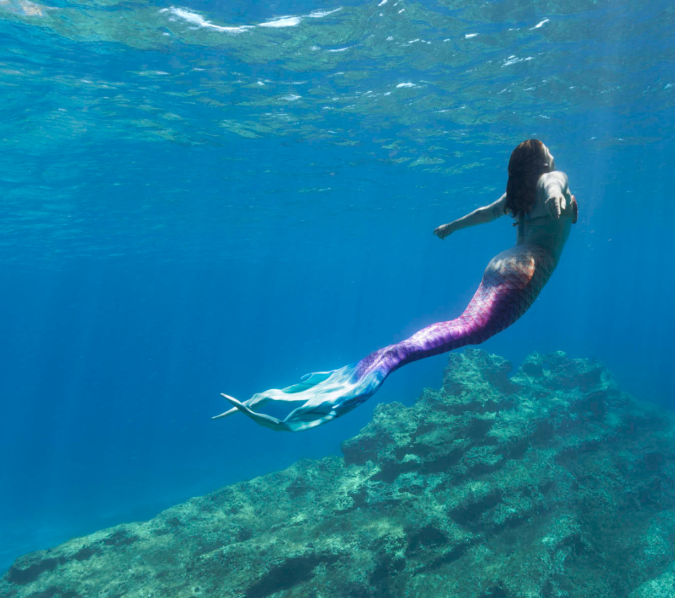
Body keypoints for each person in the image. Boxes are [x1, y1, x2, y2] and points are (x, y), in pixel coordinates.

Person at [214, 139, 578, 432]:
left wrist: (450, 227)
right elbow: (554, 184)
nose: (552, 153)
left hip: (504, 263)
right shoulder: (550, 180)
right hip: (528, 266)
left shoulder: (518, 195)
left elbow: (485, 212)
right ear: (541, 162)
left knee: (465, 327)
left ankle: (382, 358)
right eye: (547, 152)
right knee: (471, 330)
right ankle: (390, 359)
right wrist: (556, 197)